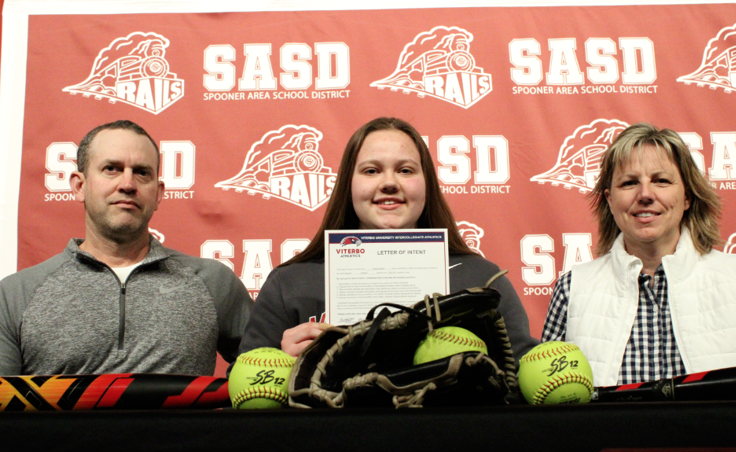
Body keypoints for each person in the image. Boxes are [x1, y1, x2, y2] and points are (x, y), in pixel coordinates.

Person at [240, 117, 537, 362]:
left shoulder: (484, 281)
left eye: (405, 170)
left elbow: (527, 382)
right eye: (371, 170)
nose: (390, 183)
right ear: (348, 185)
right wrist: (280, 362)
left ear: (427, 185)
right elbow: (242, 395)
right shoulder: (288, 284)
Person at [0, 120, 253, 376]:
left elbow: (266, 373)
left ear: (158, 194)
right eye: (112, 169)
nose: (128, 184)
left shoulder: (213, 282)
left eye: (142, 173)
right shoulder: (15, 295)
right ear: (79, 186)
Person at [542, 123, 736, 386]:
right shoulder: (572, 288)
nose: (646, 194)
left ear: (687, 197)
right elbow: (549, 411)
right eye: (629, 183)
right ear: (610, 200)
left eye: (661, 181)